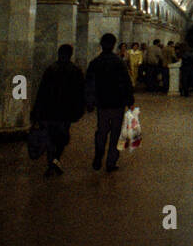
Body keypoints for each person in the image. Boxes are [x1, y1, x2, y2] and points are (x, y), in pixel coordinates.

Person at [31, 43, 86, 177]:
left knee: (50, 137)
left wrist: (36, 111)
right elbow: (80, 93)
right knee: (61, 137)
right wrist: (80, 109)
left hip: (50, 110)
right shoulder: (75, 70)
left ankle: (52, 162)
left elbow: (42, 92)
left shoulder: (51, 69)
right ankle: (56, 160)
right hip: (66, 111)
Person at [85, 34, 134, 173]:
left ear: (101, 44)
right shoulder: (119, 62)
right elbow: (126, 83)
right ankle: (111, 161)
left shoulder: (95, 62)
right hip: (117, 103)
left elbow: (89, 84)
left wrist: (89, 102)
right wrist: (130, 100)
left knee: (101, 131)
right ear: (113, 45)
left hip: (102, 103)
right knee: (116, 133)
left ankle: (99, 155)